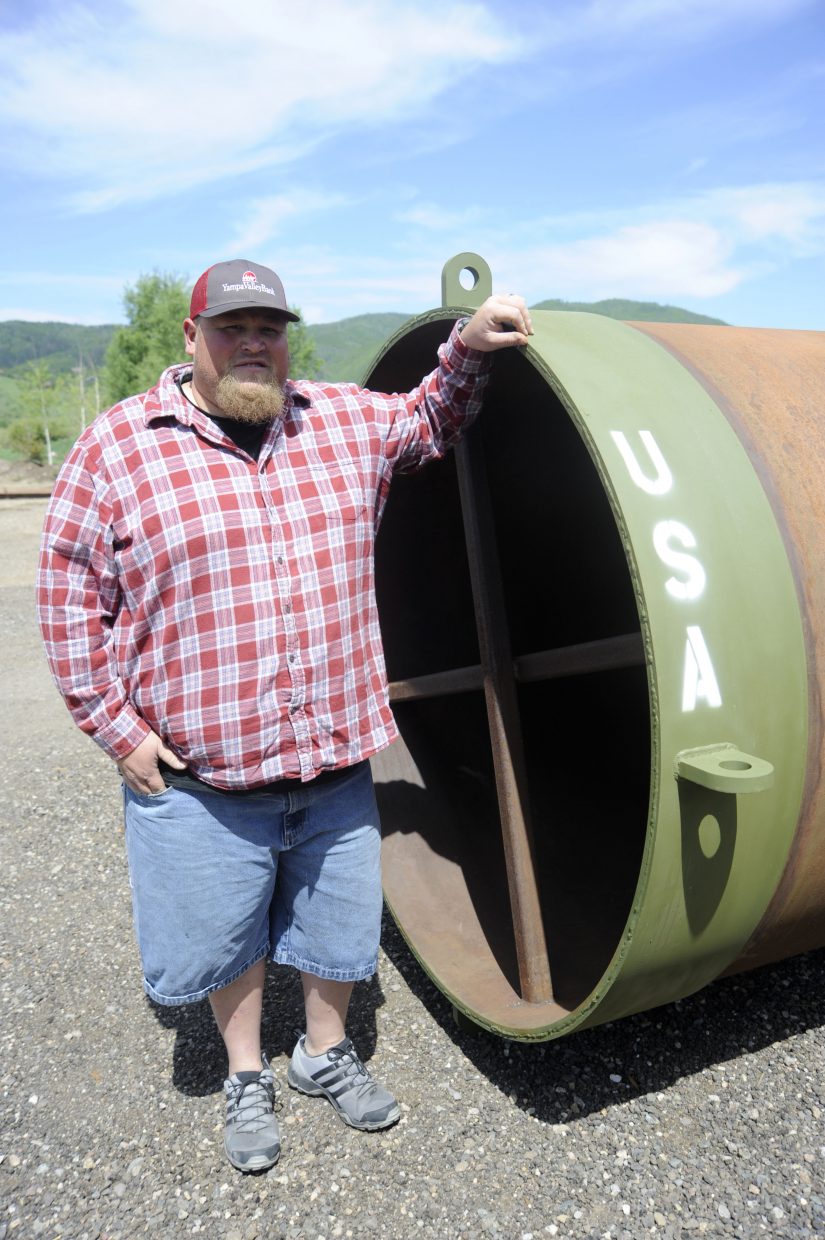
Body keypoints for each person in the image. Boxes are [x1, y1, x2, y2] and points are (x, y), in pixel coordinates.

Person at [37, 258, 533, 1173]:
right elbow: (70, 596)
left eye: (270, 327)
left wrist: (464, 346)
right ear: (192, 339)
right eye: (232, 329)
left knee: (338, 932)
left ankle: (320, 1054)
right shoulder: (118, 446)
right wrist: (116, 728)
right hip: (202, 778)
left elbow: (431, 418)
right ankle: (242, 1071)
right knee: (225, 932)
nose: (254, 343)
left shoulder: (340, 420)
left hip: (334, 761)